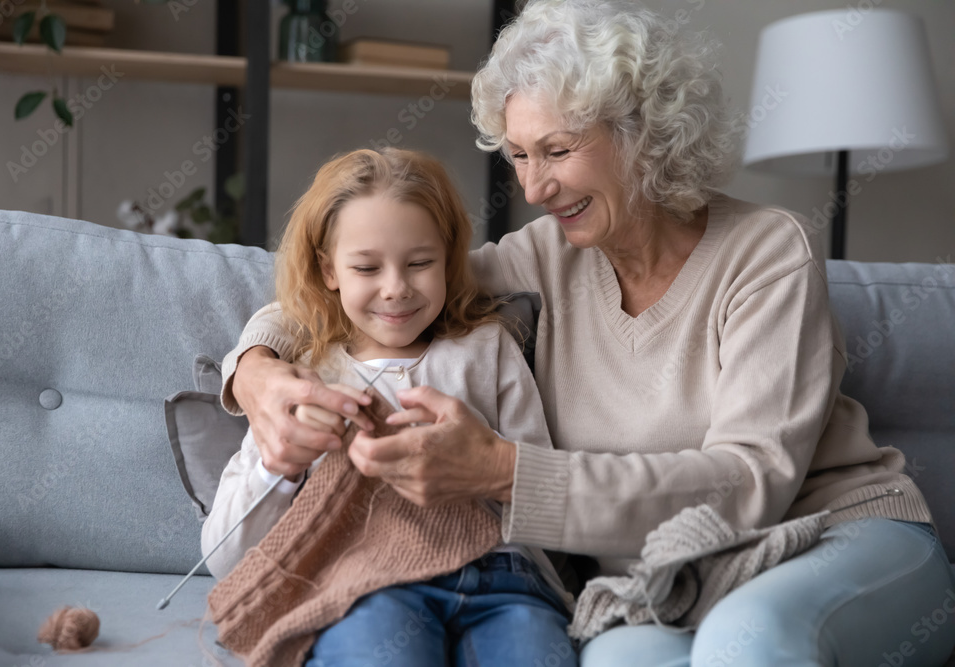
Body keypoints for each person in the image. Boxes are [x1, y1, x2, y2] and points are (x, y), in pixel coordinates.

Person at [219, 2, 955, 666]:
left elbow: (748, 485)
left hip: (831, 536)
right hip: (673, 574)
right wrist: (255, 370)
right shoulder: (544, 257)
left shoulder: (766, 253)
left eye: (558, 150)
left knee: (748, 642)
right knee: (610, 662)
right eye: (518, 155)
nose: (533, 188)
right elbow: (376, 290)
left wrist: (503, 470)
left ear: (643, 131)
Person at [202, 147, 578, 667]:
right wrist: (281, 466)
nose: (396, 288)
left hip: (502, 582)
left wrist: (480, 463)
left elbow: (542, 504)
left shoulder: (487, 350)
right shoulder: (306, 378)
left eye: (420, 263)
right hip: (366, 582)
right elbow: (224, 557)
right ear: (328, 270)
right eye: (366, 267)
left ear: (448, 256)